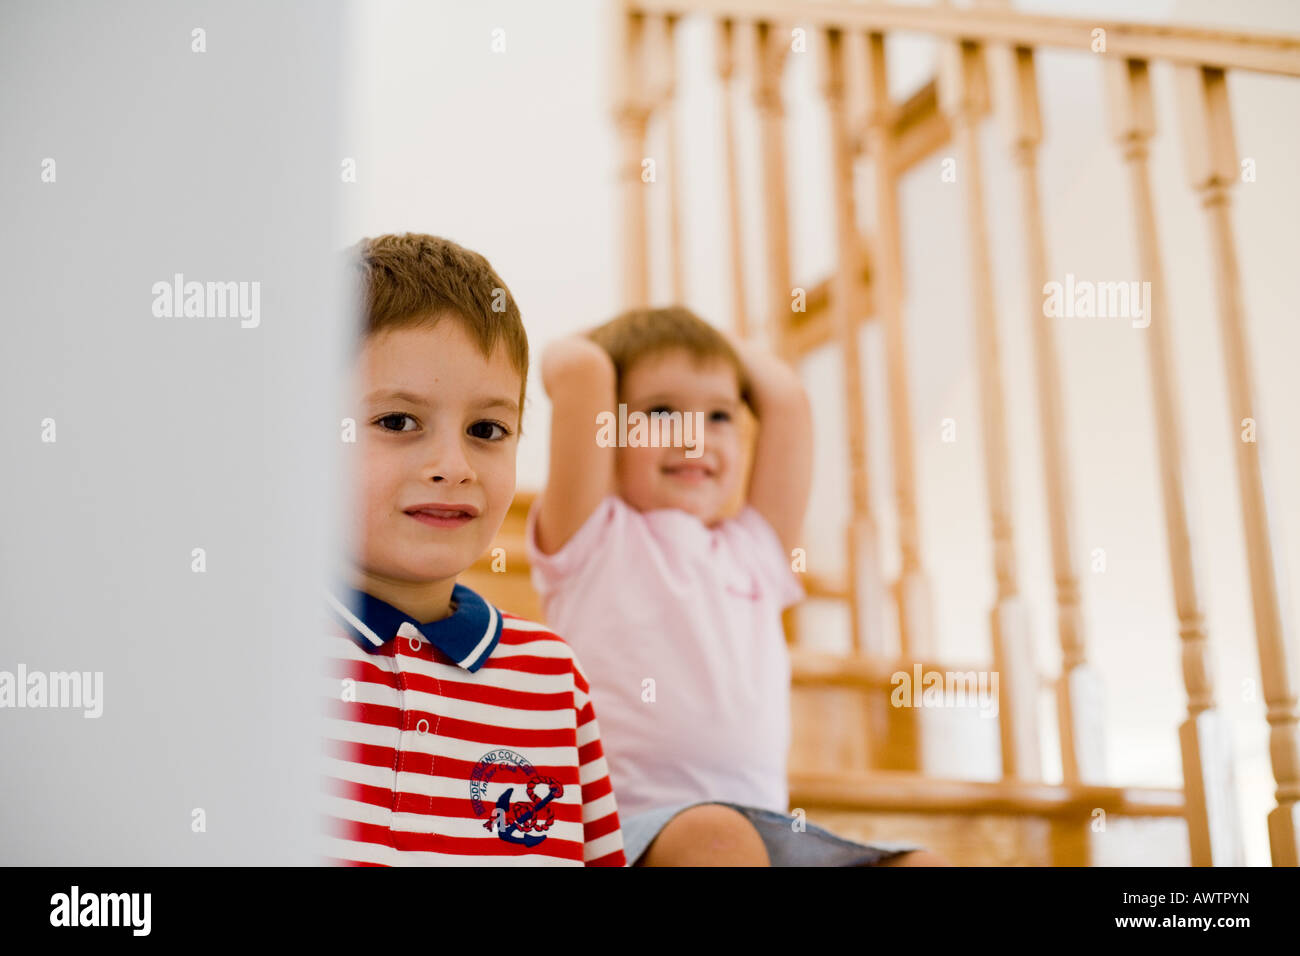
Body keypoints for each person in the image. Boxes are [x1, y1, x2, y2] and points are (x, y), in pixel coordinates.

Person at [526, 305, 946, 866]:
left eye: (720, 415)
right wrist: (624, 338)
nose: (694, 436)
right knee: (717, 835)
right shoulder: (592, 537)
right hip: (623, 831)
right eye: (661, 411)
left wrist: (708, 338)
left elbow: (787, 399)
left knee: (923, 864)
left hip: (766, 832)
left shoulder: (753, 552)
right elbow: (580, 369)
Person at [322, 233, 625, 866]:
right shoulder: (254, 657)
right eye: (398, 421)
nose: (454, 466)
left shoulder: (553, 682)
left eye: (487, 429)